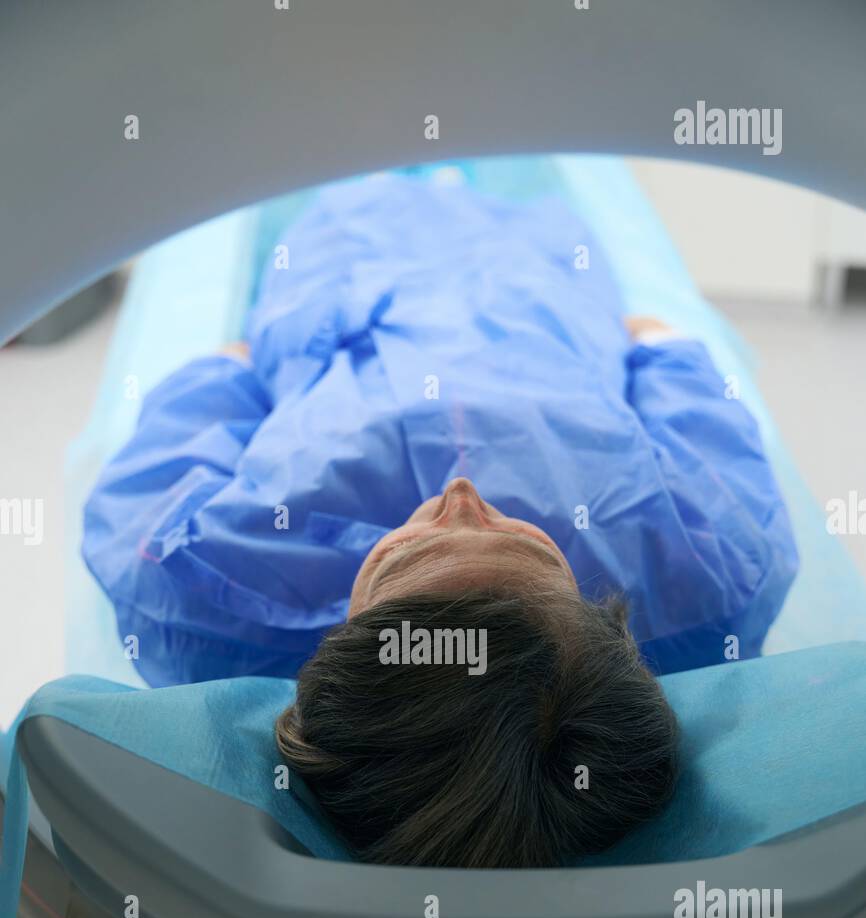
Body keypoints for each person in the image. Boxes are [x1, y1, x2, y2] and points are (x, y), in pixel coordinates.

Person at [83, 170, 798, 867]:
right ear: (605, 623)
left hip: (345, 257)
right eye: (525, 544)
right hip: (534, 278)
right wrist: (654, 344)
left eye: (404, 556)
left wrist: (240, 366)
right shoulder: (710, 574)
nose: (461, 493)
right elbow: (682, 380)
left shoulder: (200, 587)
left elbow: (188, 422)